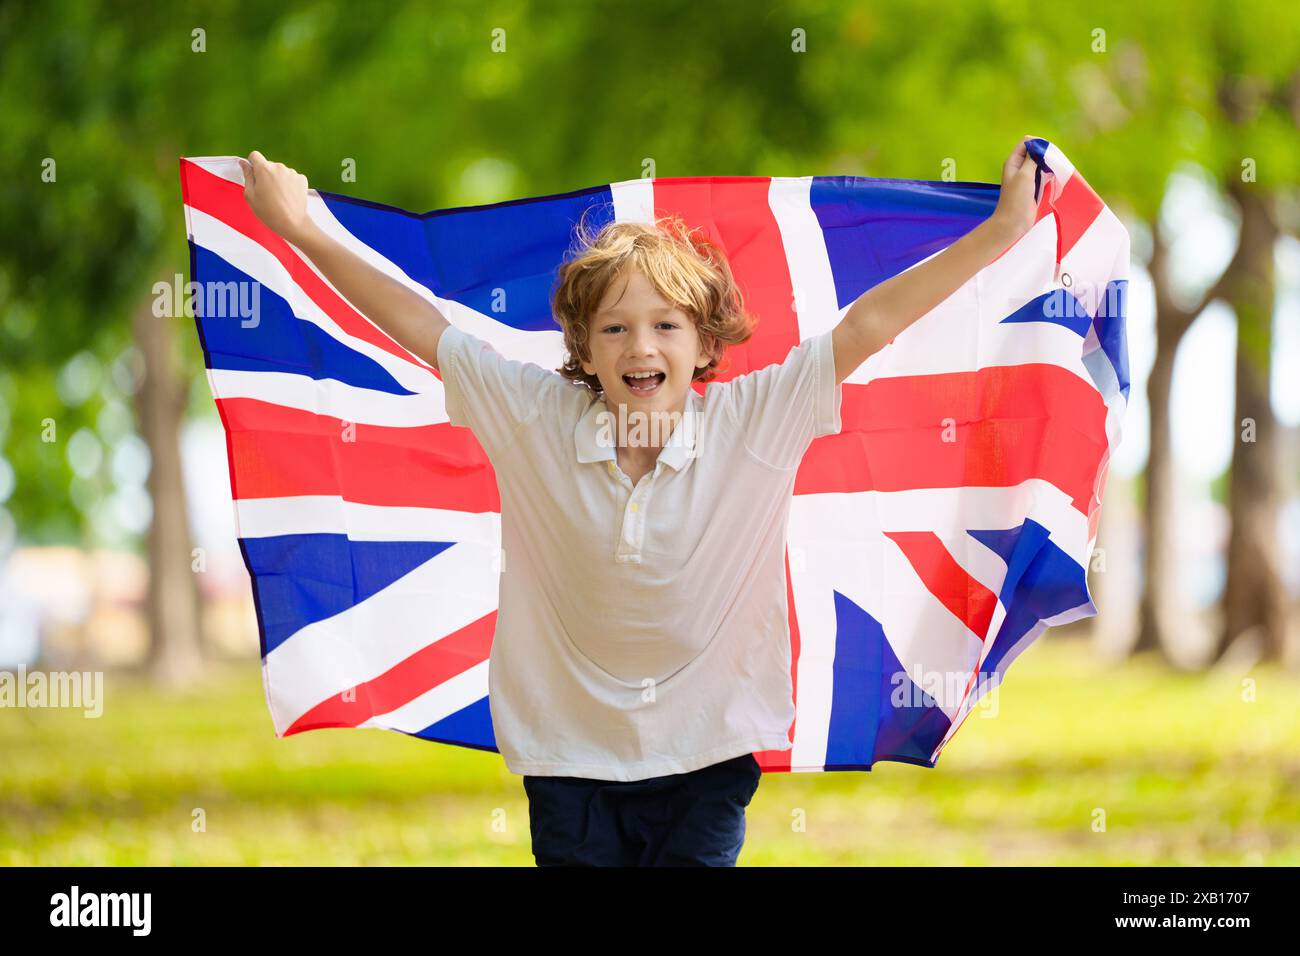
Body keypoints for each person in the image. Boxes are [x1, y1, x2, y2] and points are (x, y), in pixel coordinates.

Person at [239, 138, 1041, 866]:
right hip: (566, 761)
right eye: (616, 329)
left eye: (666, 325)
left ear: (704, 345)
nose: (642, 346)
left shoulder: (757, 418)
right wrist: (301, 225)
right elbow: (418, 323)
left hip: (706, 757)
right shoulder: (531, 416)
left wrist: (1002, 230)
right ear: (584, 347)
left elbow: (870, 322)